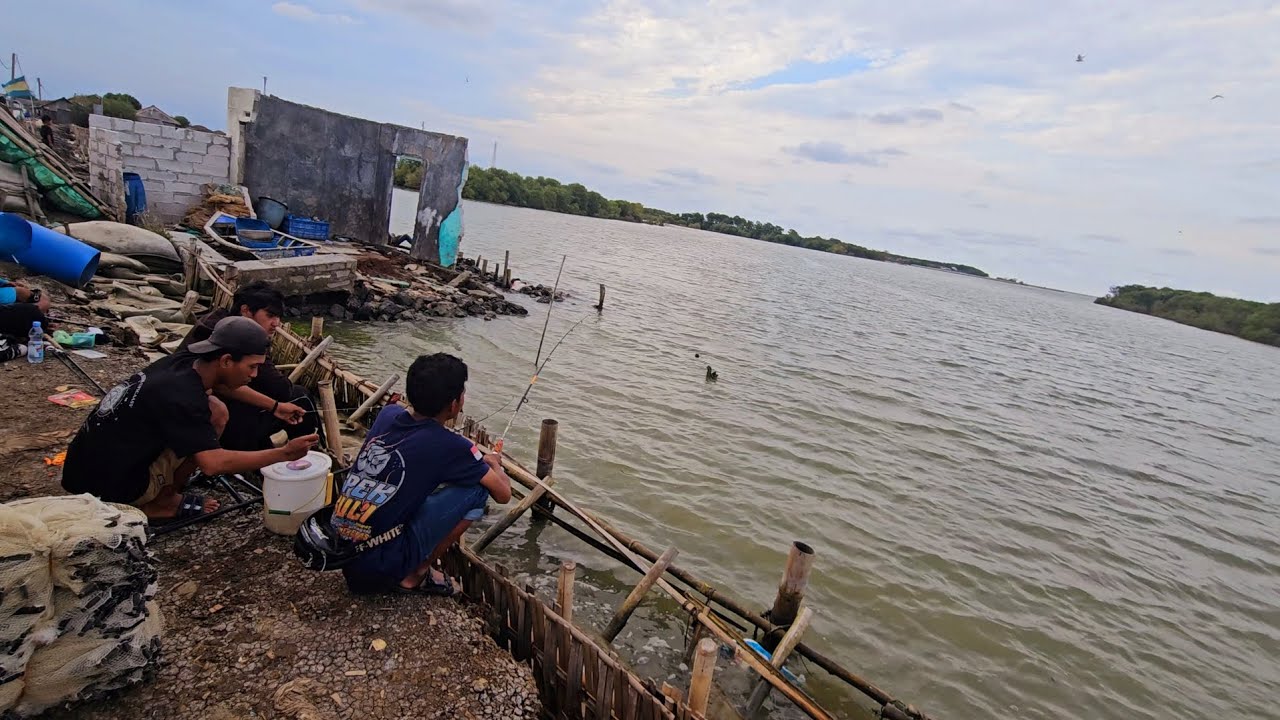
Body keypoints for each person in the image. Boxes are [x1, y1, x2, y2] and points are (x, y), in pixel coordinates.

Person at [62, 316, 320, 520]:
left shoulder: (184, 363)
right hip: (110, 488)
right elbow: (213, 464)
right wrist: (285, 453)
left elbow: (220, 387)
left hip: (81, 468)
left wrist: (276, 407)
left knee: (216, 409)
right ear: (227, 360)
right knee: (212, 420)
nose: (254, 375)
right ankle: (161, 502)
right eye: (252, 367)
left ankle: (161, 491)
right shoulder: (182, 397)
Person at [334, 353, 512, 595]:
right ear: (454, 404)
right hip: (377, 567)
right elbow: (503, 494)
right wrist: (495, 464)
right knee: (478, 490)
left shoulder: (388, 415)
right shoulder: (450, 445)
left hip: (342, 549)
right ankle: (415, 574)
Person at [178, 282, 318, 451]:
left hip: (199, 406)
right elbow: (280, 388)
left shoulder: (215, 320)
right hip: (208, 417)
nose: (276, 323)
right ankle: (310, 455)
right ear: (245, 311)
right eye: (270, 315)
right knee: (300, 397)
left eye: (278, 317)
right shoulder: (240, 338)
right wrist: (275, 406)